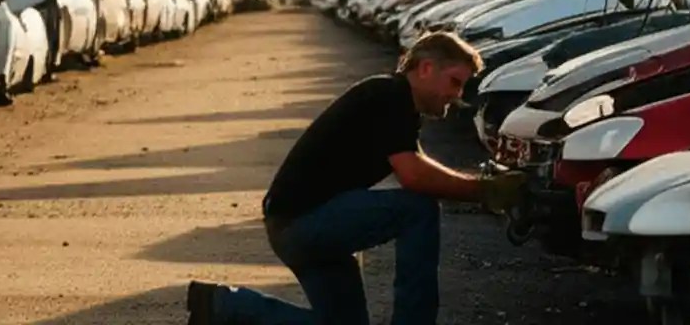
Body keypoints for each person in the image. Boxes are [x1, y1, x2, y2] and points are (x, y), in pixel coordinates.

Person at [186, 32, 528, 325]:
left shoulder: (394, 103)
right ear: (425, 69)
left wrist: (485, 186)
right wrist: (485, 191)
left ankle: (223, 305)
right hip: (302, 224)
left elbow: (418, 163)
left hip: (294, 225)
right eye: (455, 81)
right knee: (418, 209)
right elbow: (413, 175)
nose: (457, 95)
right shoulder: (391, 95)